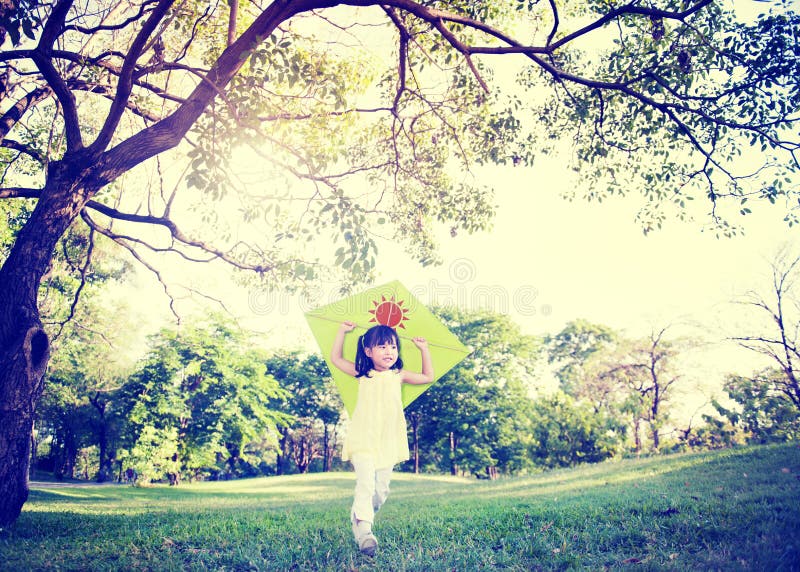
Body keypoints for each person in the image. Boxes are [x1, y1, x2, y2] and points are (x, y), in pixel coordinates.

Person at [331, 320, 434, 556]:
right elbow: (336, 359)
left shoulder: (399, 375)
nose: (389, 351)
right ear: (368, 351)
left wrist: (423, 349)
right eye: (382, 346)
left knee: (380, 491)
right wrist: (342, 331)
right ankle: (365, 533)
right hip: (363, 437)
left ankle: (359, 516)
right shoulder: (363, 373)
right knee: (366, 484)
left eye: (393, 346)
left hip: (388, 439)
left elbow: (428, 376)